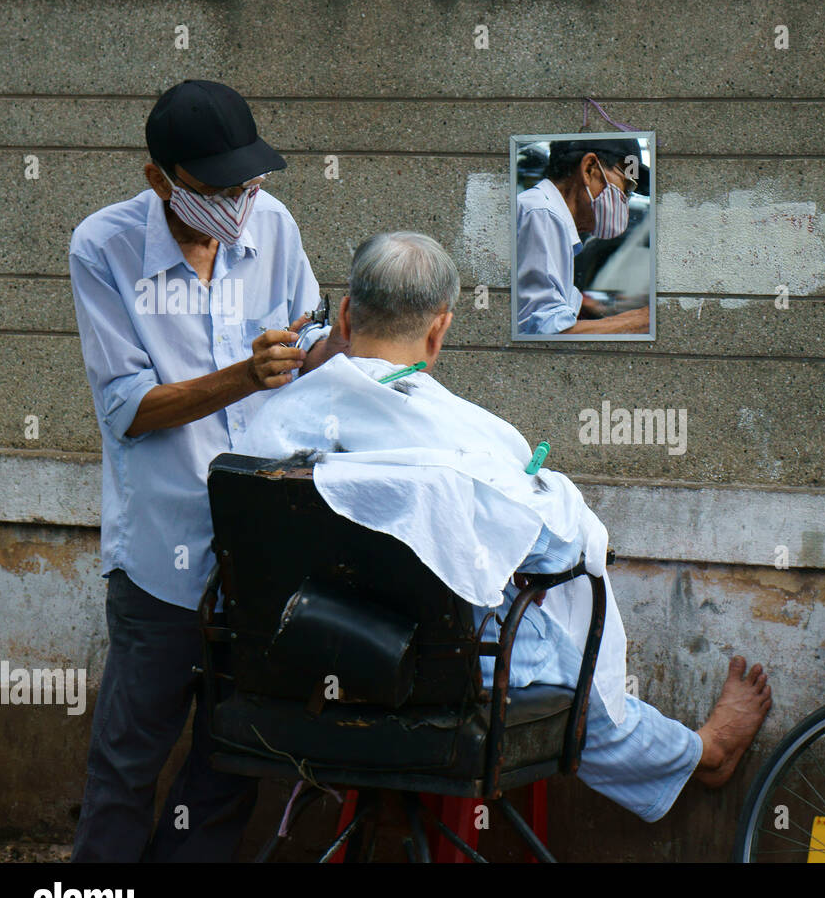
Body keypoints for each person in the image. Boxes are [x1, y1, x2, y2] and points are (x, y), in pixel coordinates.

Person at [236, 232, 771, 821]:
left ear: (342, 313)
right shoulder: (462, 441)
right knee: (570, 666)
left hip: (297, 671)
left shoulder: (268, 427)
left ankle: (691, 752)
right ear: (439, 330)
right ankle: (705, 753)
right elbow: (561, 547)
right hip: (437, 678)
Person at [69, 79, 346, 862]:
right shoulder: (104, 248)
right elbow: (128, 407)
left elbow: (306, 354)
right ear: (161, 178)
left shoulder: (277, 227)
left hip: (262, 554)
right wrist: (241, 376)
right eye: (218, 188)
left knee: (231, 765)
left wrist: (339, 345)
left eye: (249, 184)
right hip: (161, 557)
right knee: (126, 763)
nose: (239, 202)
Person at [515, 138, 652, 335]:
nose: (625, 203)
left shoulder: (548, 215)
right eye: (626, 189)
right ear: (589, 169)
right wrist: (641, 321)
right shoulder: (543, 214)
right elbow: (545, 334)